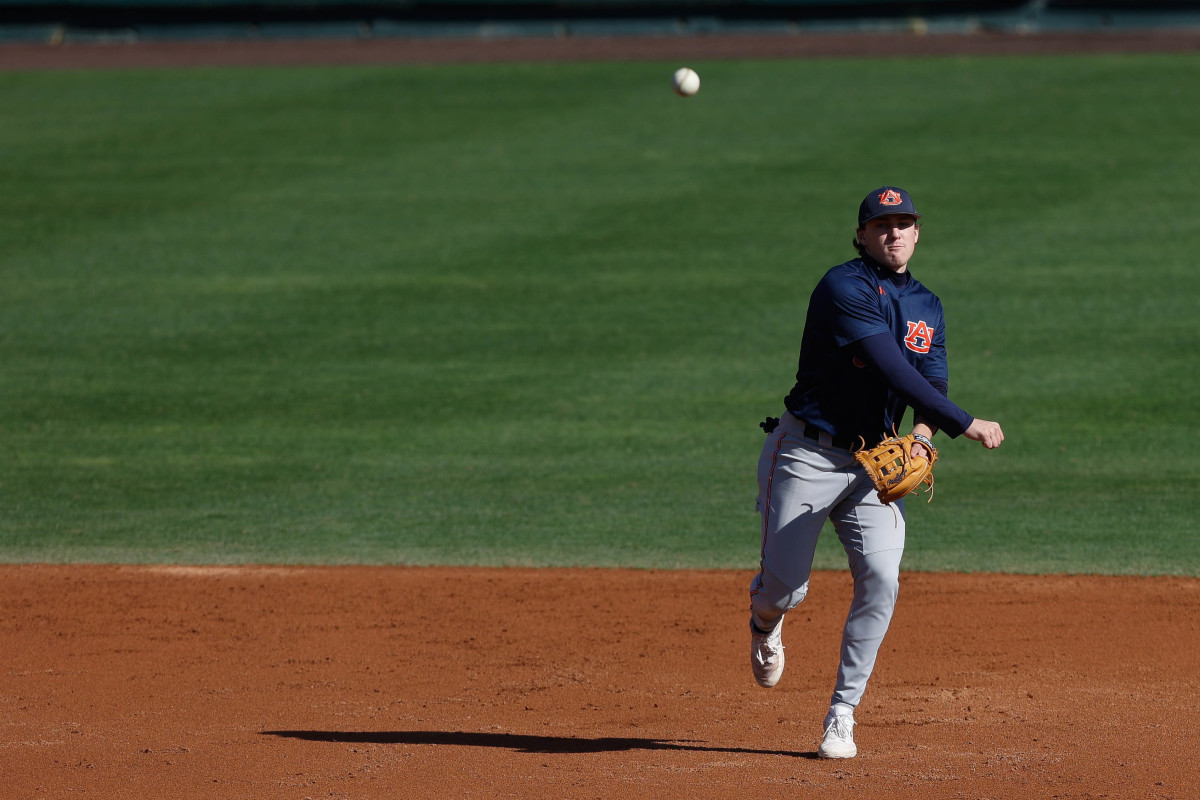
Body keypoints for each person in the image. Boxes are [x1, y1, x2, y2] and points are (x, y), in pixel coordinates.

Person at [749, 186, 1004, 759]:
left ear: (917, 233)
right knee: (784, 589)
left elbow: (929, 384)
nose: (894, 232)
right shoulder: (845, 287)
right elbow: (891, 364)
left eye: (904, 223)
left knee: (883, 580)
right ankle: (764, 624)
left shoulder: (929, 306)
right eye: (881, 224)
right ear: (862, 234)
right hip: (807, 454)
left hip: (873, 464)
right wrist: (964, 424)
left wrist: (921, 434)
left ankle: (842, 713)